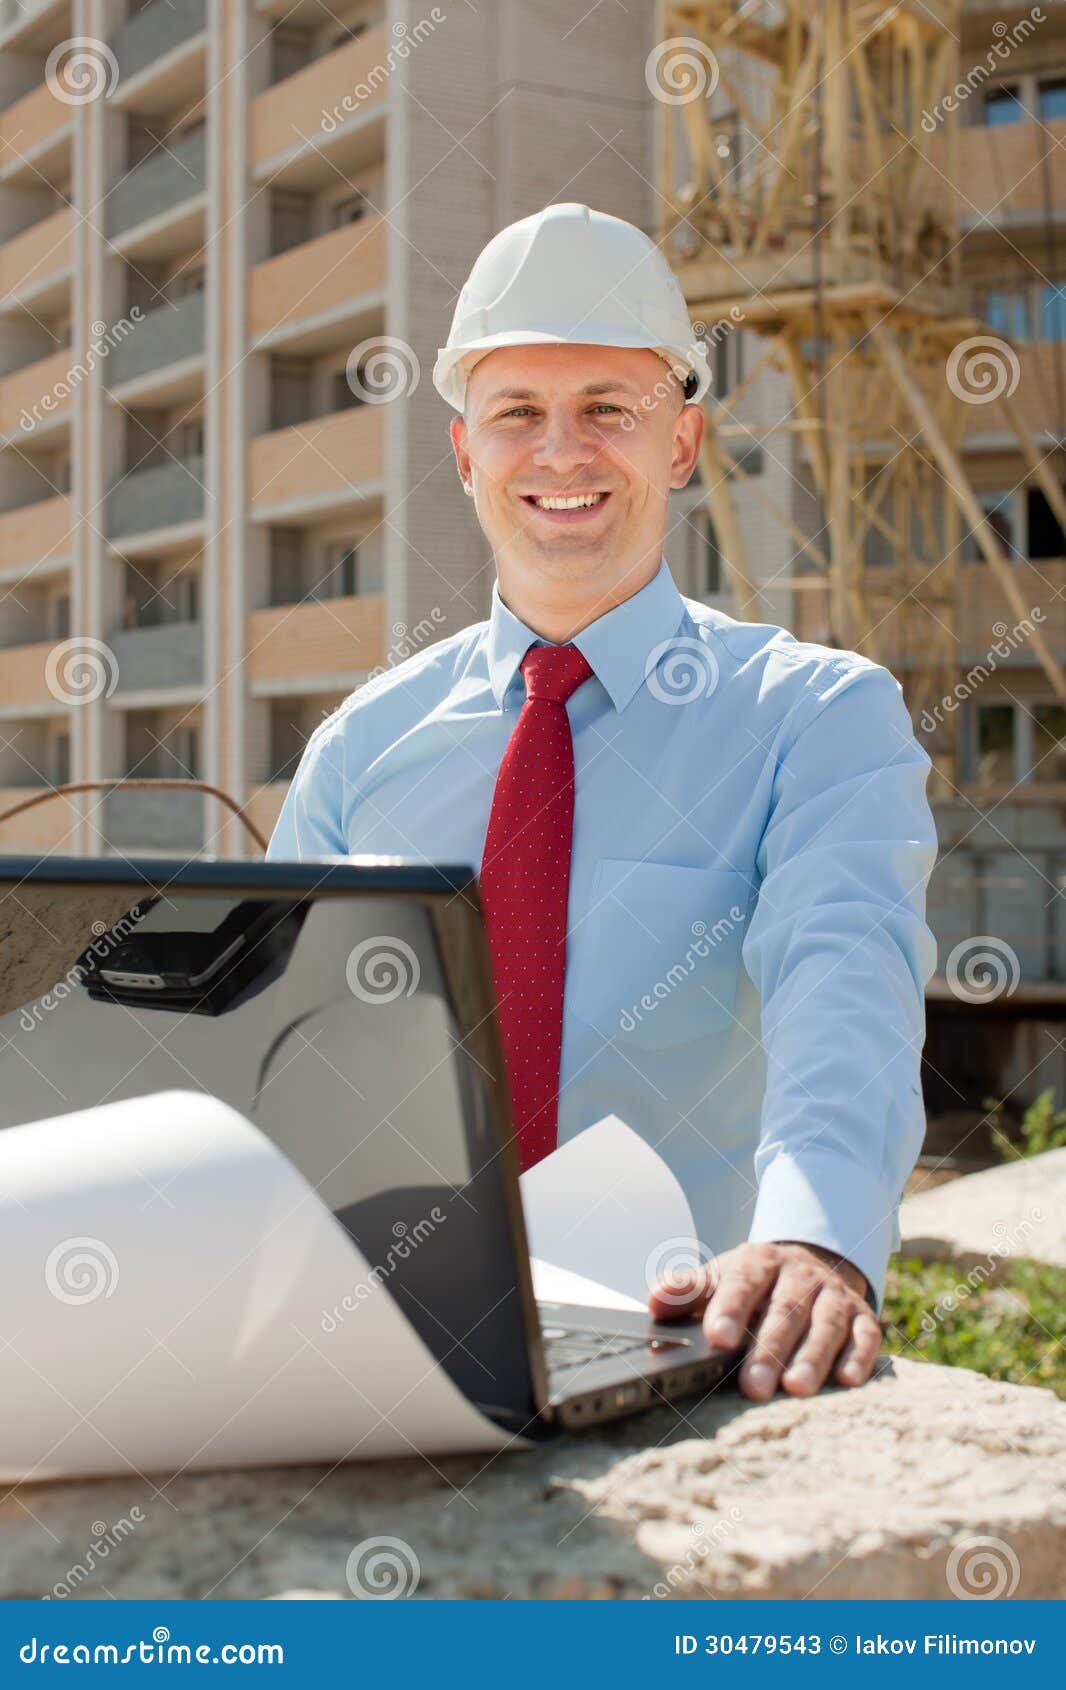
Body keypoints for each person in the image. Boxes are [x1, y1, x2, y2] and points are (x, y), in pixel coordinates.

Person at [266, 202, 938, 1403]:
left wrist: (818, 1233)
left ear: (680, 443)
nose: (561, 453)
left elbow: (845, 981)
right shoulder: (359, 750)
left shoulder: (816, 719)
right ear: (468, 453)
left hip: (680, 1351)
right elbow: (280, 1065)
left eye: (606, 412)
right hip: (386, 1353)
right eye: (518, 413)